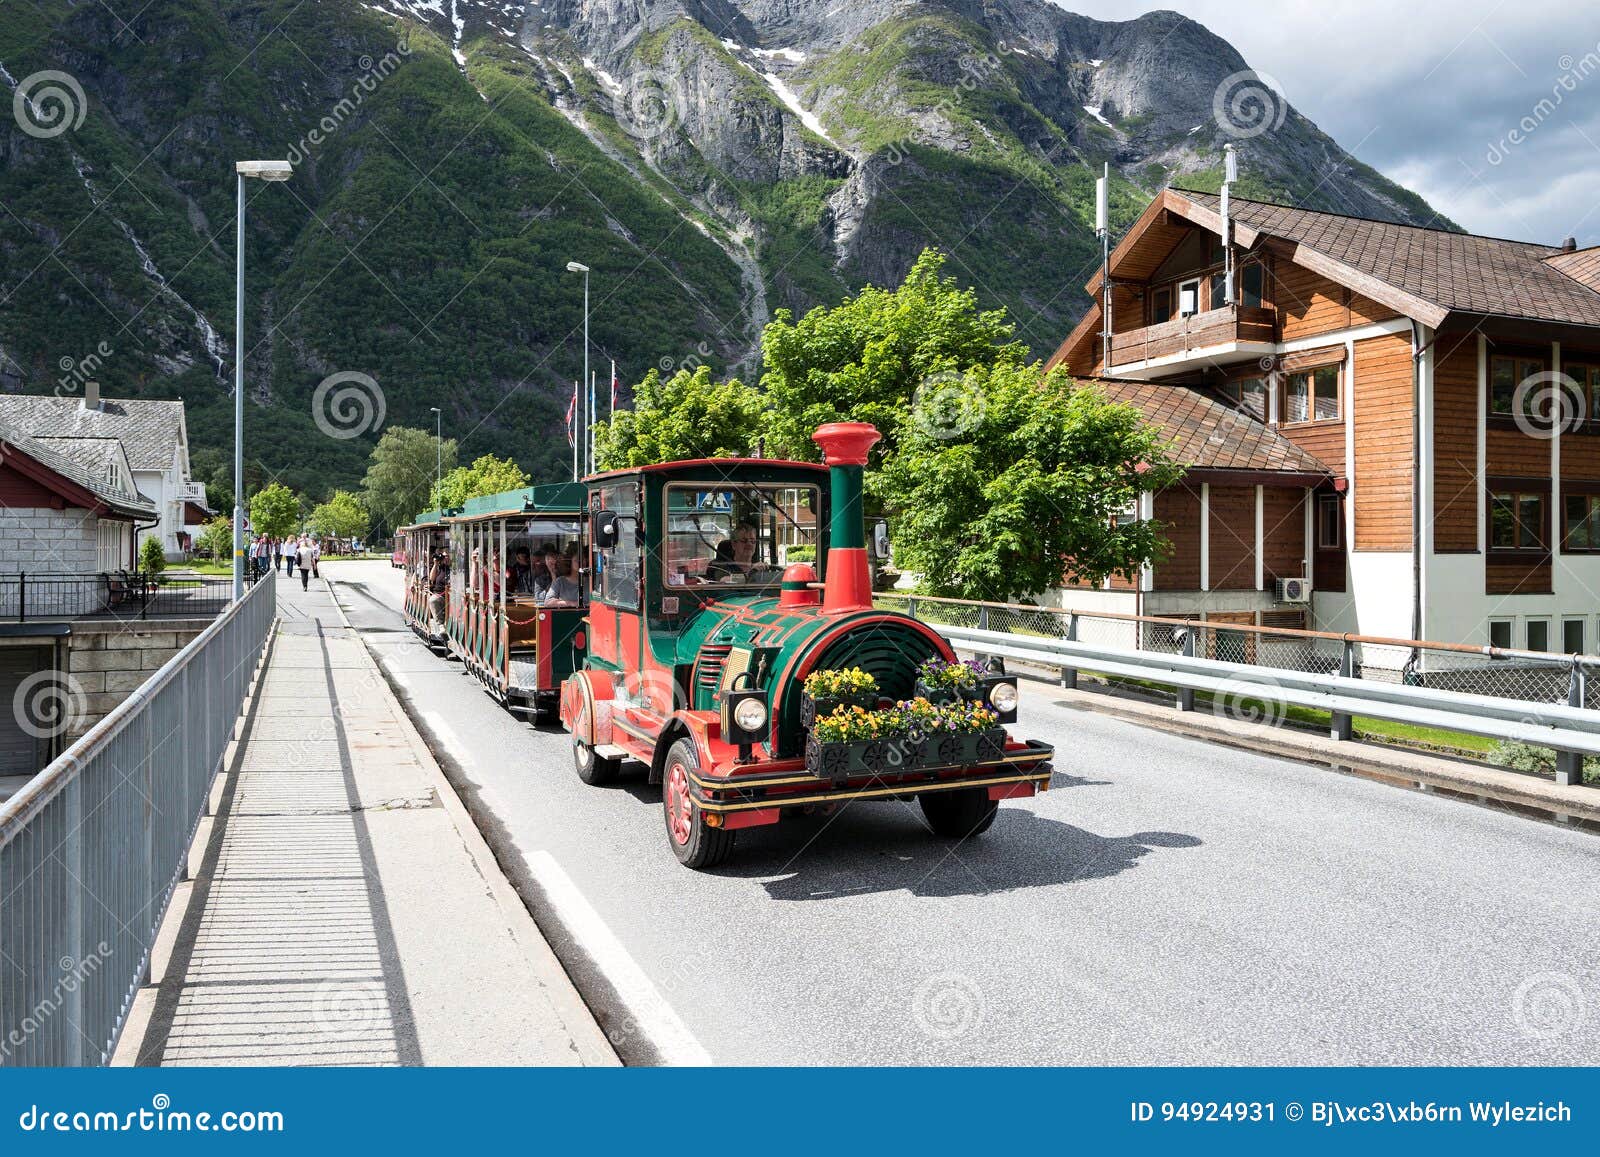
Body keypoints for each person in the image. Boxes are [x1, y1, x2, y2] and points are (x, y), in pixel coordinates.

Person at [427, 549, 450, 630]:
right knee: (433, 600)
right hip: (439, 595)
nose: (446, 558)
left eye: (447, 556)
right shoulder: (440, 568)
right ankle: (441, 625)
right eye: (444, 556)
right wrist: (435, 564)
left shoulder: (455, 568)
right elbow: (431, 578)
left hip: (451, 595)